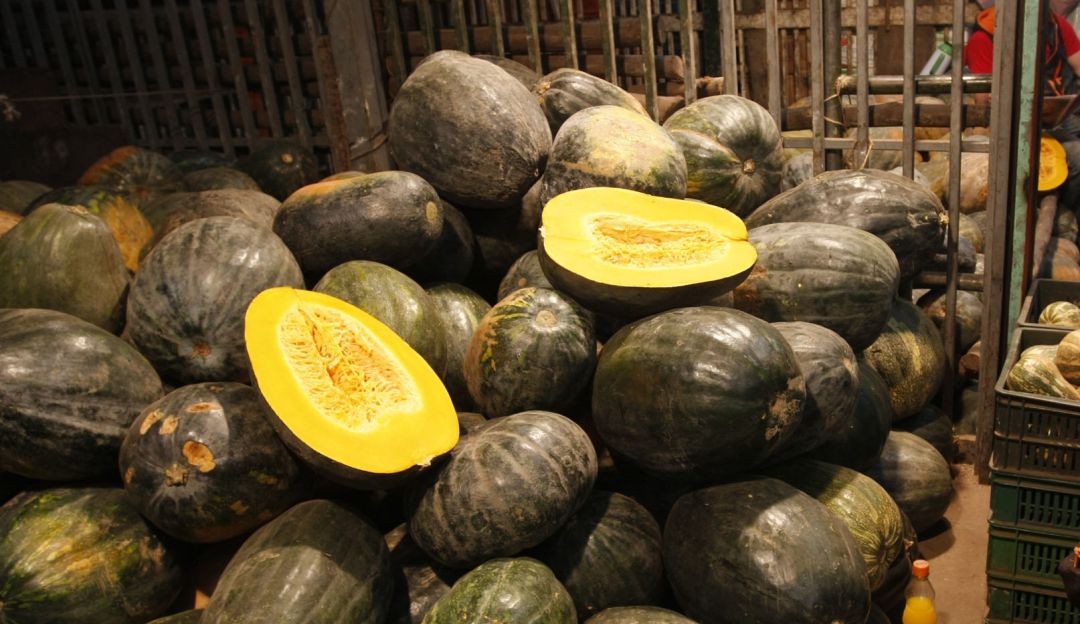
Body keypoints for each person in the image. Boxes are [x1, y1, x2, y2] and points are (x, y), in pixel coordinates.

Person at [965, 2, 1080, 207]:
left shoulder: (1056, 25)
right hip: (1013, 123)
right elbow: (983, 100)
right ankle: (1069, 212)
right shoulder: (983, 39)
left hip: (1059, 114)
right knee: (1076, 155)